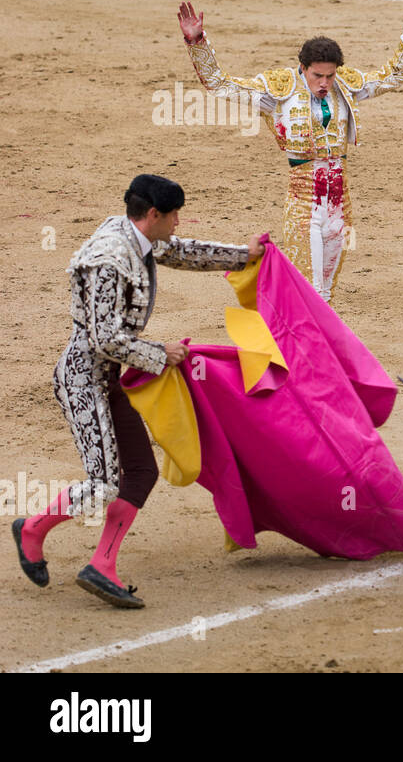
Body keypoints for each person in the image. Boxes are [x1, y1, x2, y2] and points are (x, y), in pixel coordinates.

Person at [13, 174, 263, 608]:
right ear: (152, 215)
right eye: (173, 216)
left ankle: (101, 565)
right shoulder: (108, 258)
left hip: (110, 379)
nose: (178, 223)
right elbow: (102, 337)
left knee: (141, 472)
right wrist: (158, 353)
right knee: (103, 485)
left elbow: (182, 252)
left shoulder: (136, 237)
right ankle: (32, 527)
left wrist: (244, 257)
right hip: (83, 380)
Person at [177, 0, 403, 303]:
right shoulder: (278, 92)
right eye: (317, 75)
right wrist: (197, 41)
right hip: (303, 201)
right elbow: (219, 83)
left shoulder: (344, 85)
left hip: (340, 198)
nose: (324, 83)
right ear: (303, 68)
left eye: (330, 75)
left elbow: (392, 76)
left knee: (325, 292)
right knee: (308, 291)